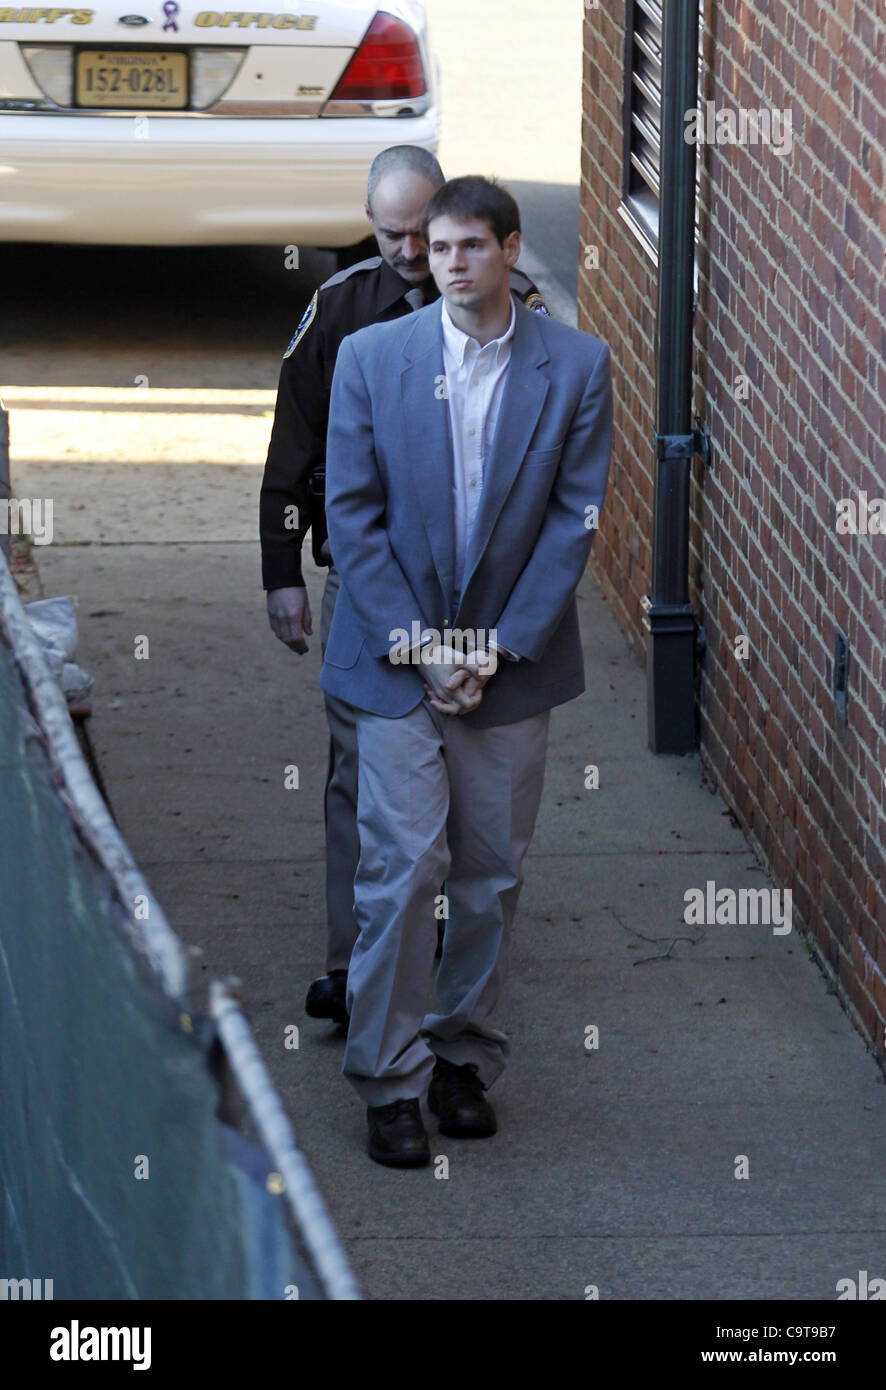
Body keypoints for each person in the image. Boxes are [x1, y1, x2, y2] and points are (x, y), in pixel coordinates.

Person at [321, 176, 613, 1166]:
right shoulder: (369, 359)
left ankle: (462, 1060)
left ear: (509, 250)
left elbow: (574, 521)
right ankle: (390, 1079)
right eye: (436, 248)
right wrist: (423, 645)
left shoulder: (576, 367)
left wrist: (491, 646)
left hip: (509, 665)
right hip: (395, 662)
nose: (447, 262)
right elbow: (351, 521)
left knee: (488, 875)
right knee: (403, 870)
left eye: (468, 247)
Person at [260, 146, 549, 1028]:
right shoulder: (342, 310)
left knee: (471, 799)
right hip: (367, 575)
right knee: (360, 778)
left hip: (477, 596)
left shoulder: (511, 308)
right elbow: (293, 448)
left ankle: (445, 978)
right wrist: (282, 574)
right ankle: (357, 967)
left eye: (422, 233)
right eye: (389, 234)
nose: (411, 253)